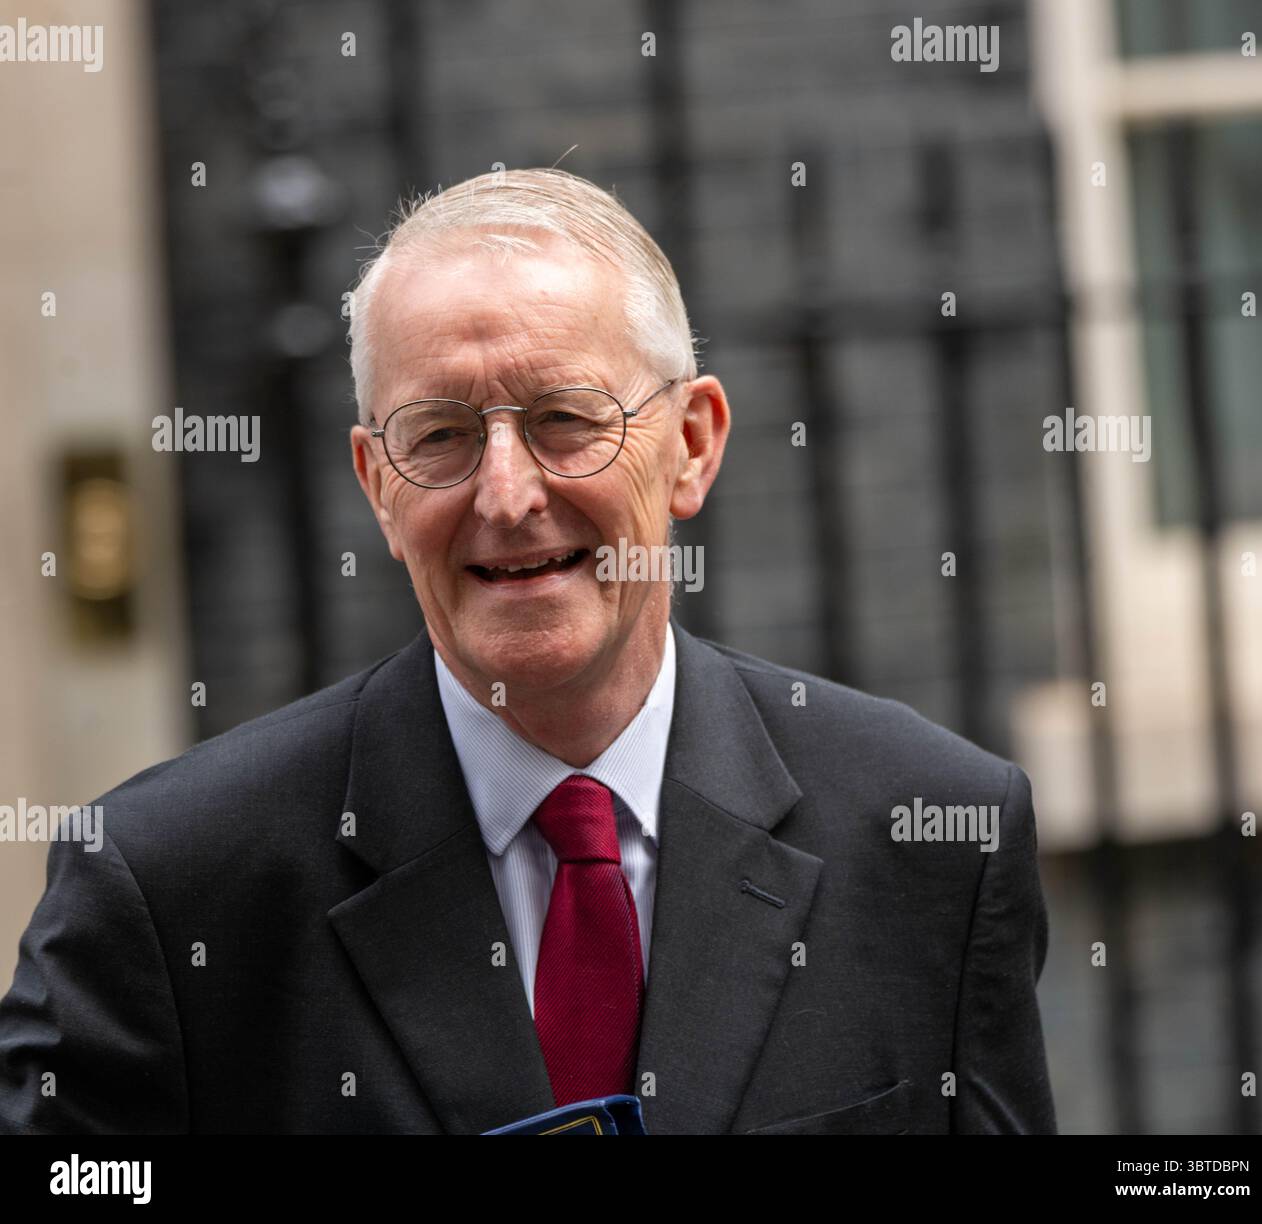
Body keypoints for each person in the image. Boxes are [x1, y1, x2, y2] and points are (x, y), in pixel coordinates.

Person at [0, 168, 1056, 1134]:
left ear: (691, 444)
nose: (506, 496)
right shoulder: (170, 885)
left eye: (563, 418)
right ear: (376, 482)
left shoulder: (930, 838)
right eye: (442, 436)